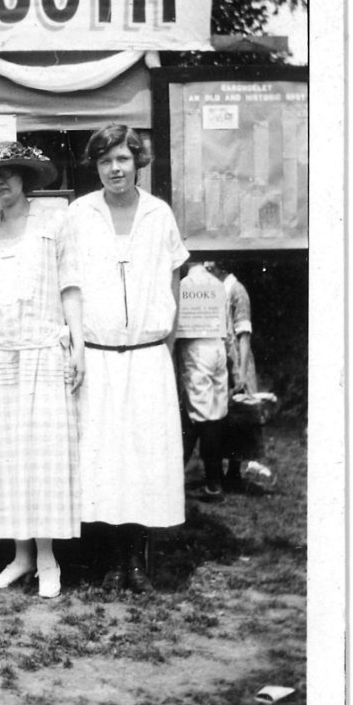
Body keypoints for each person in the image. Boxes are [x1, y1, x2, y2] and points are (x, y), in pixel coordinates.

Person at [65, 124, 188, 595]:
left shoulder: (159, 215)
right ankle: (110, 560)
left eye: (122, 159)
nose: (114, 169)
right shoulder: (79, 214)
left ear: (138, 161)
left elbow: (172, 282)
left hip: (146, 356)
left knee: (144, 458)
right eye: (104, 161)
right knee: (103, 459)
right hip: (97, 357)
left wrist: (166, 345)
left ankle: (138, 559)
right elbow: (71, 286)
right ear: (95, 167)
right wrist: (77, 346)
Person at [0, 142, 84, 598]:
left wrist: (78, 347)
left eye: (8, 173)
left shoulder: (54, 222)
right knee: (4, 456)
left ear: (25, 177)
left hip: (42, 351)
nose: (0, 182)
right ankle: (20, 557)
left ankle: (48, 558)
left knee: (43, 456)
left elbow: (71, 286)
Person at [203, 259, 264, 492]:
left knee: (240, 417)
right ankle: (217, 468)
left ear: (222, 264)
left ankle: (234, 471)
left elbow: (244, 334)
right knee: (220, 415)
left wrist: (241, 369)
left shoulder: (237, 290)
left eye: (211, 262)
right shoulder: (214, 289)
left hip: (238, 359)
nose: (207, 266)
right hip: (221, 359)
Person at [176, 262, 231, 501]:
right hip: (217, 347)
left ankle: (213, 483)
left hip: (197, 349)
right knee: (215, 414)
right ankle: (212, 477)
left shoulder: (183, 285)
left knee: (202, 417)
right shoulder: (217, 284)